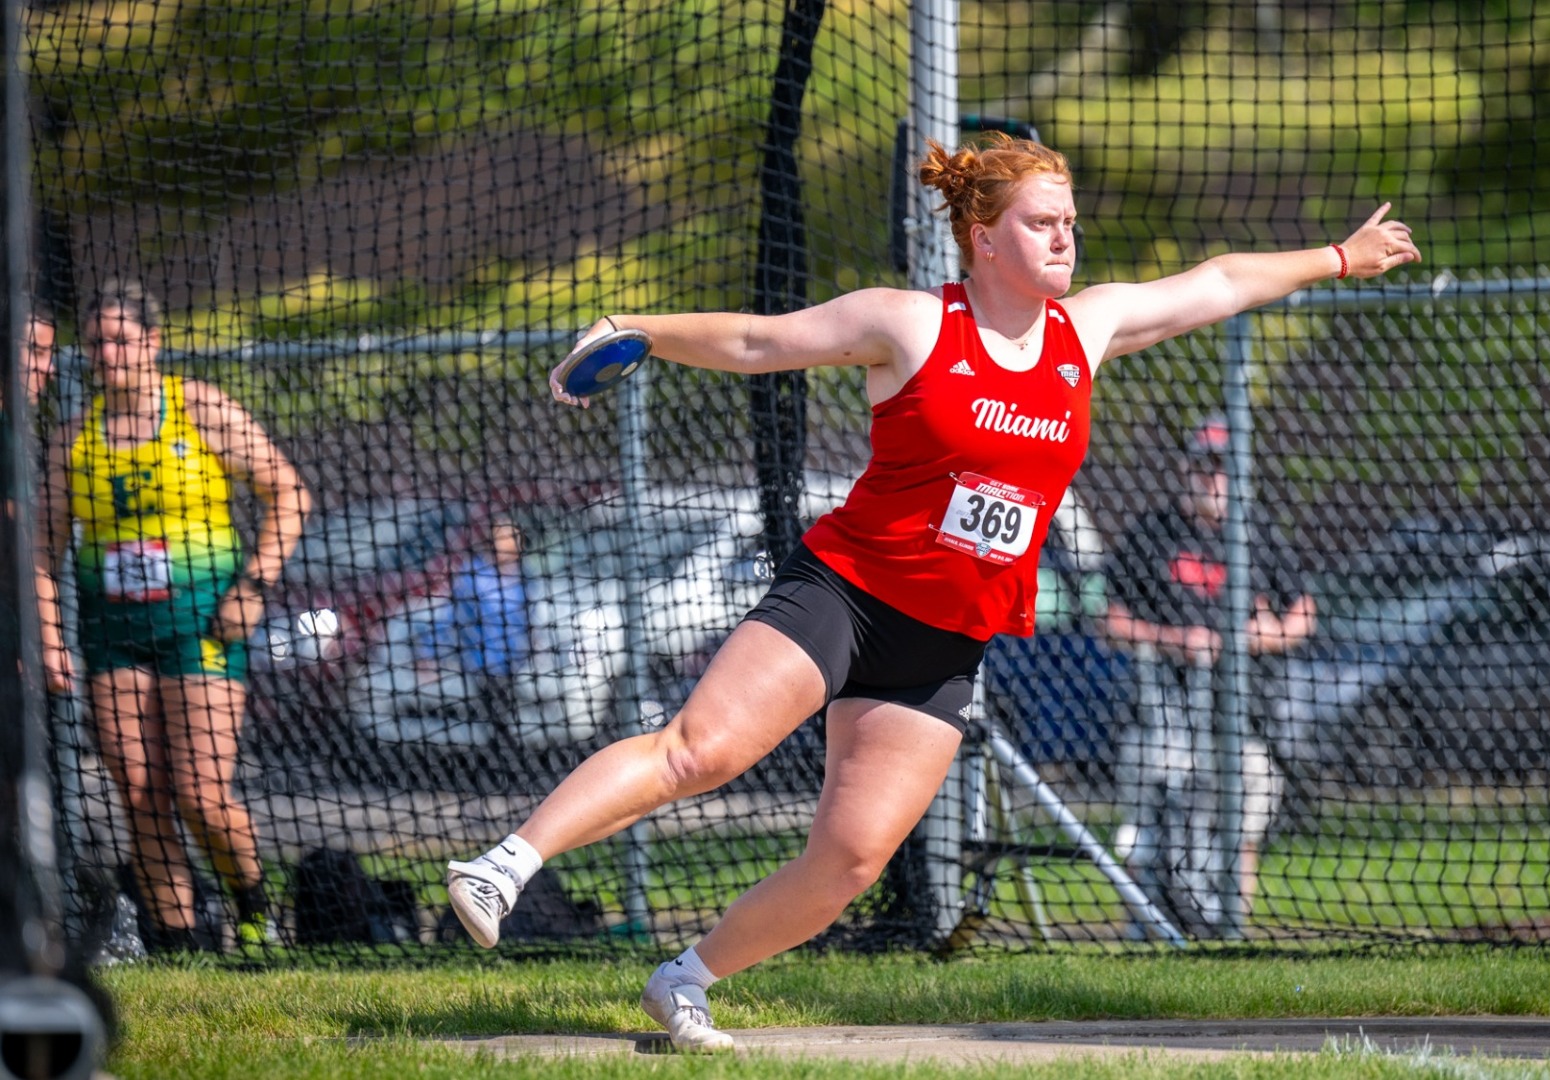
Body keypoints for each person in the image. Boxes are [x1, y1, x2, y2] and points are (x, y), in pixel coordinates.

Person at [446, 134, 1418, 1051]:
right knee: (702, 751)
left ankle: (684, 980)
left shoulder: (1087, 330)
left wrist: (1339, 254)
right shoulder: (910, 323)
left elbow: (1220, 280)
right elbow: (755, 343)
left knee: (852, 860)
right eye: (1044, 222)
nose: (1065, 237)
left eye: (1071, 221)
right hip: (846, 594)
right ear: (984, 238)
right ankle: (503, 869)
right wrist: (638, 330)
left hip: (945, 640)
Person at [37, 279, 310, 952]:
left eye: (121, 339)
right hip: (113, 633)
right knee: (136, 788)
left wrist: (254, 586)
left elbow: (289, 493)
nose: (108, 353)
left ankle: (253, 913)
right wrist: (50, 640)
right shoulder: (74, 439)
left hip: (201, 626)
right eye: (97, 342)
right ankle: (177, 940)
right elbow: (42, 548)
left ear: (152, 343)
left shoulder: (200, 409)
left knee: (199, 791)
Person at [1101, 416, 1316, 936]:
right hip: (1161, 714)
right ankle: (1145, 927)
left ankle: (1228, 930)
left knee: (1240, 822)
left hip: (1242, 716)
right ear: (1185, 469)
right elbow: (1110, 619)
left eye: (1222, 468)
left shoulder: (1257, 533)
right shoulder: (1152, 535)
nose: (1211, 479)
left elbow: (1304, 615)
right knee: (1149, 822)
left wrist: (1244, 640)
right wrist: (1176, 640)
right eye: (1202, 466)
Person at [441, 515, 532, 728]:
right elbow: (453, 620)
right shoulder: (473, 575)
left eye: (513, 538)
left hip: (517, 667)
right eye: (502, 537)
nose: (508, 543)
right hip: (482, 667)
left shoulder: (525, 577)